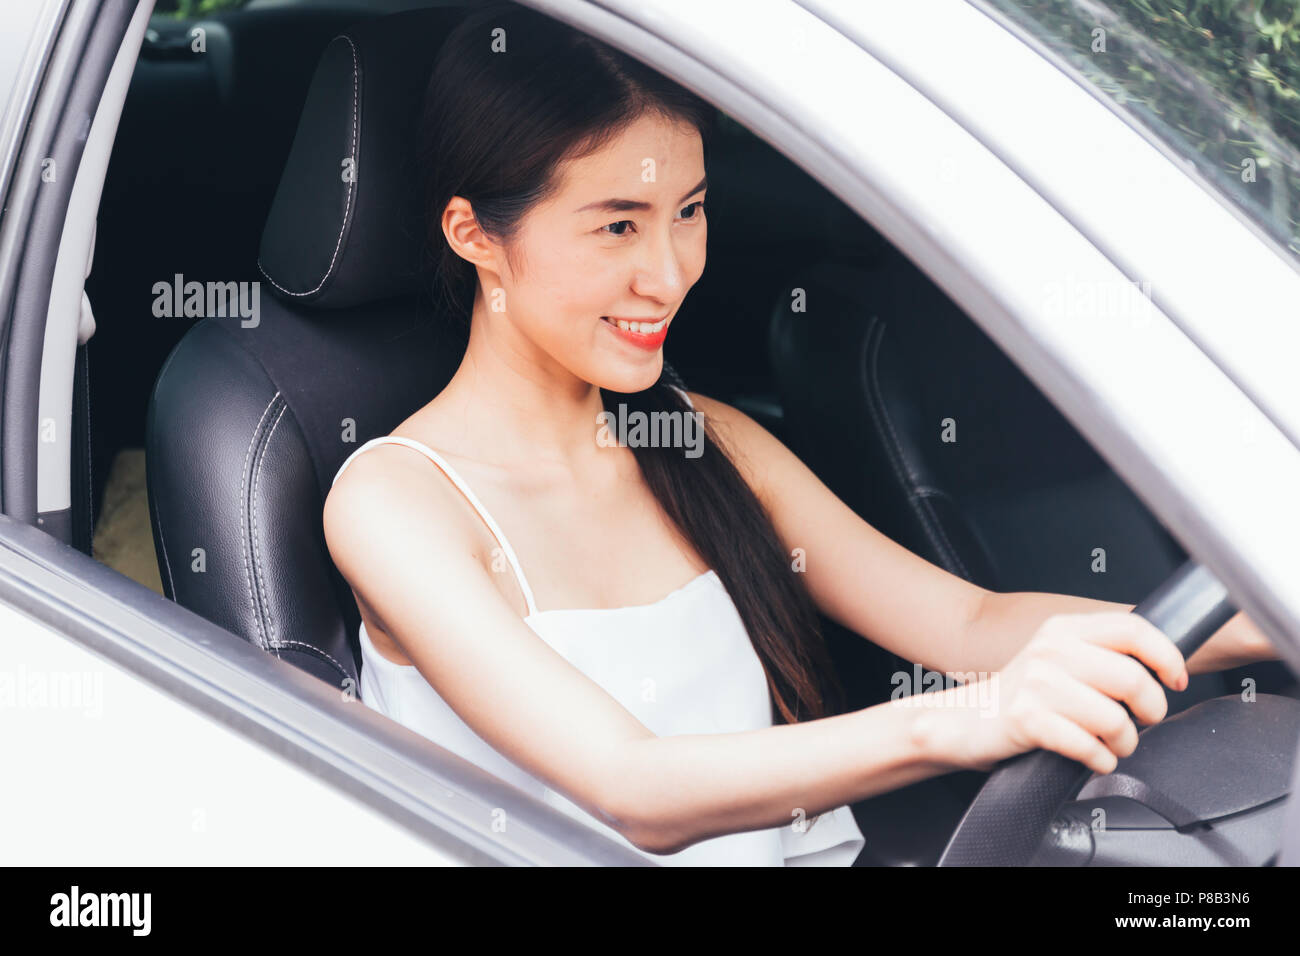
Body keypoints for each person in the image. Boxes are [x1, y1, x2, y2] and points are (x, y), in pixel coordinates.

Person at [323, 2, 1278, 866]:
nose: (670, 273)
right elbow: (634, 789)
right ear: (474, 234)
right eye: (617, 227)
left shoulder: (702, 443)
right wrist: (972, 718)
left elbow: (966, 625)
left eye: (688, 212)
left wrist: (1252, 615)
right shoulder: (395, 503)